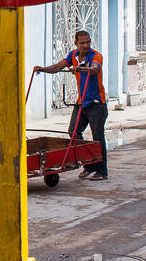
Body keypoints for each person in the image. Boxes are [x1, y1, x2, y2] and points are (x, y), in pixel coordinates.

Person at [34, 29, 108, 180]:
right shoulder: (73, 55)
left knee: (98, 138)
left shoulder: (96, 56)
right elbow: (57, 67)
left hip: (96, 104)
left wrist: (81, 69)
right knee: (73, 132)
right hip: (82, 102)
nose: (85, 45)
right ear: (76, 43)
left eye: (87, 42)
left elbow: (95, 69)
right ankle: (88, 164)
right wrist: (42, 69)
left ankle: (101, 171)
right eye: (82, 43)